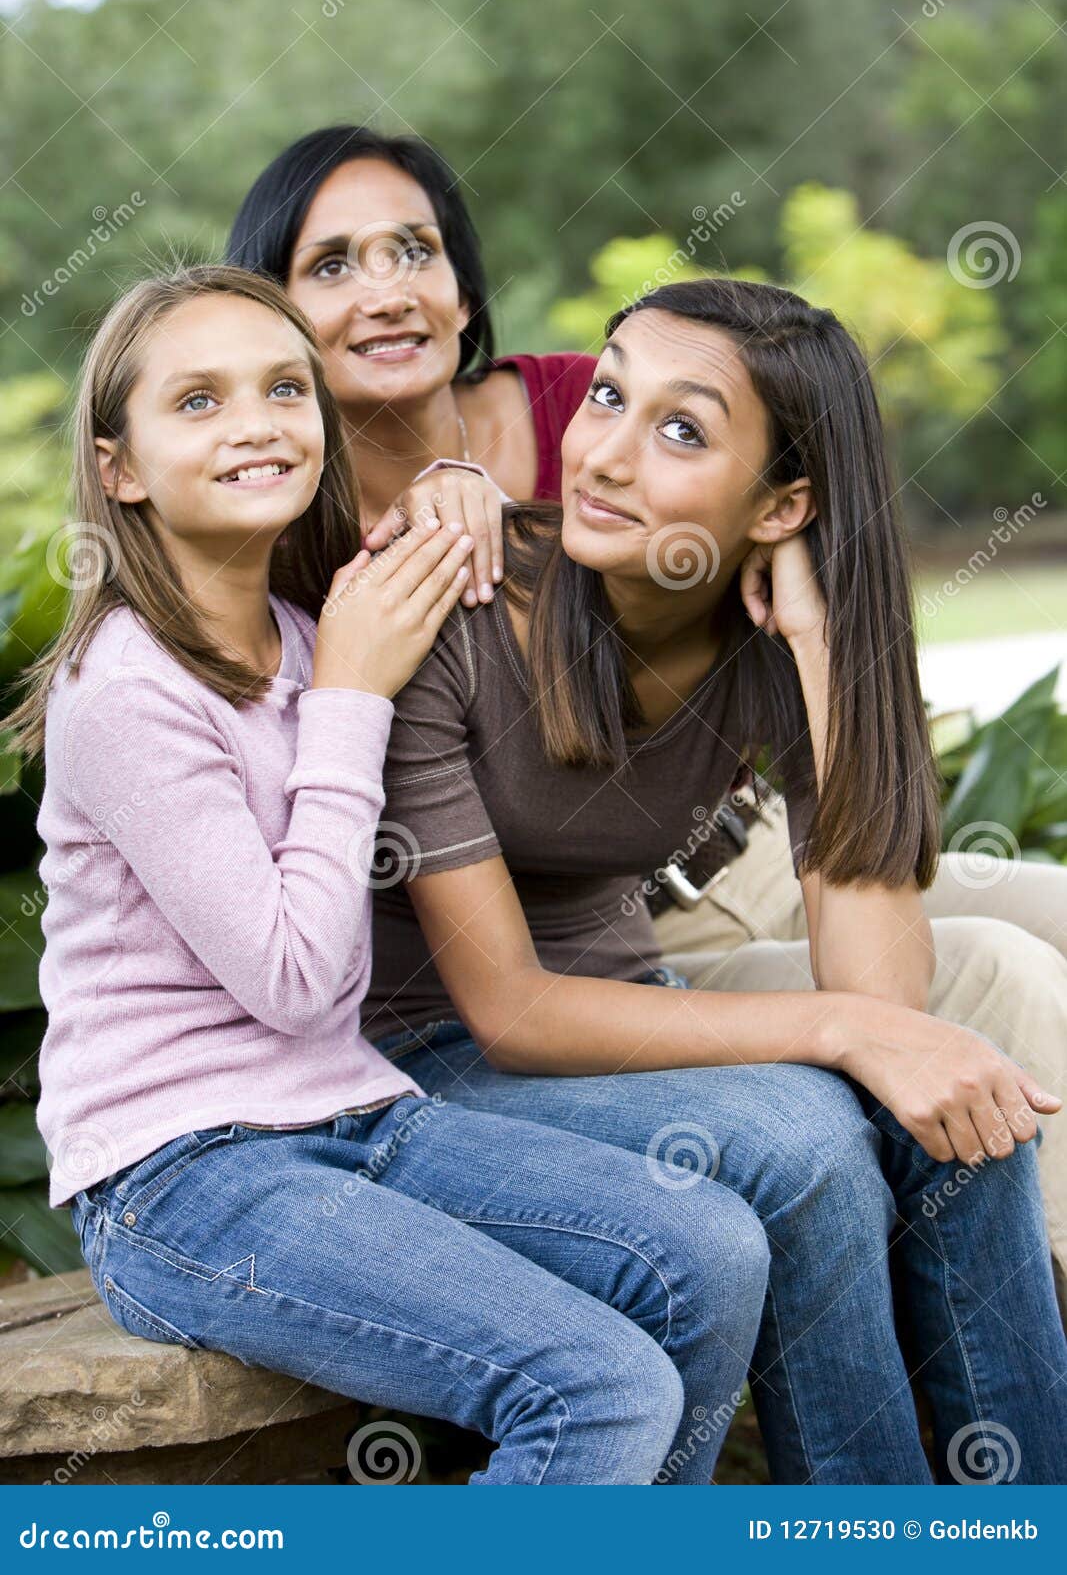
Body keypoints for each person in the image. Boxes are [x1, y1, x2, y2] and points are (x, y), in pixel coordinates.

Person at [228, 126, 1067, 1294]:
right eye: (330, 266)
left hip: (731, 846)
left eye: (412, 249)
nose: (383, 291)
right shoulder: (276, 507)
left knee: (1035, 939)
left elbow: (734, 442)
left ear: (465, 288)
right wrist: (444, 505)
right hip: (556, 929)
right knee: (988, 985)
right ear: (266, 315)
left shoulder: (583, 402)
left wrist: (815, 624)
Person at [7, 264, 773, 1487]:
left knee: (710, 1252)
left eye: (279, 388)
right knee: (599, 1387)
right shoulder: (129, 689)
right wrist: (354, 698)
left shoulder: (322, 633)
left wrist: (459, 484)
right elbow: (300, 982)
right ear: (120, 469)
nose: (254, 421)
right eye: (197, 402)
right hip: (179, 1174)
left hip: (356, 1114)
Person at [361, 278, 1067, 1484]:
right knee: (808, 1144)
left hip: (622, 1029)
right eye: (608, 395)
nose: (607, 455)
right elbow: (508, 1011)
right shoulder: (457, 607)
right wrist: (848, 1033)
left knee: (965, 1106)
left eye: (680, 430)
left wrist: (819, 648)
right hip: (416, 1059)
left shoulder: (762, 642)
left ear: (785, 501)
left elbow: (882, 990)